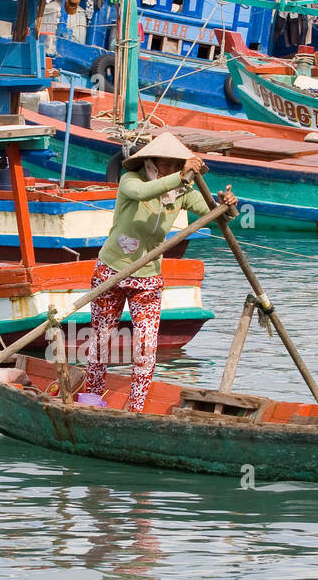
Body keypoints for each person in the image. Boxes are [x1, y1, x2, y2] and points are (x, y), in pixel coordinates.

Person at [84, 133, 237, 412]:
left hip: (148, 276)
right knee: (101, 342)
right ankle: (91, 399)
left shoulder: (183, 191)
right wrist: (181, 177)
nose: (167, 169)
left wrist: (228, 205)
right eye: (163, 163)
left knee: (145, 348)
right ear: (150, 161)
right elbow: (143, 193)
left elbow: (215, 215)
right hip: (112, 271)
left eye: (174, 164)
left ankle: (137, 409)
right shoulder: (132, 180)